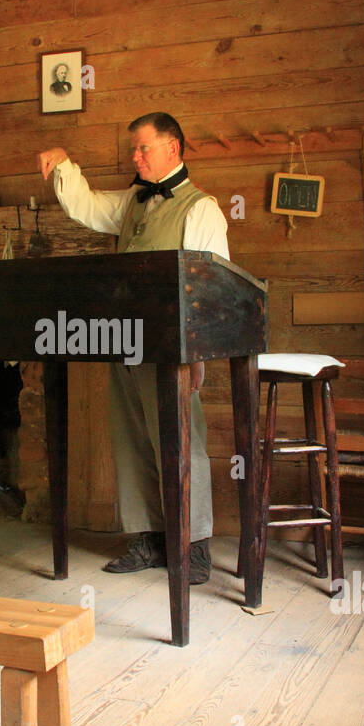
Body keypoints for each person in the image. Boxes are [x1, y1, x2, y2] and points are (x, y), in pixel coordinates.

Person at [37, 112, 229, 585]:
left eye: (143, 148)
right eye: (133, 150)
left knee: (184, 442)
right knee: (131, 440)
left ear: (174, 149)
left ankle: (194, 545)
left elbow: (211, 288)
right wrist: (64, 164)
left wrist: (198, 355)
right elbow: (84, 206)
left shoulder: (201, 209)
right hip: (124, 342)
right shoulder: (132, 203)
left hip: (172, 349)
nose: (135, 157)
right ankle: (147, 537)